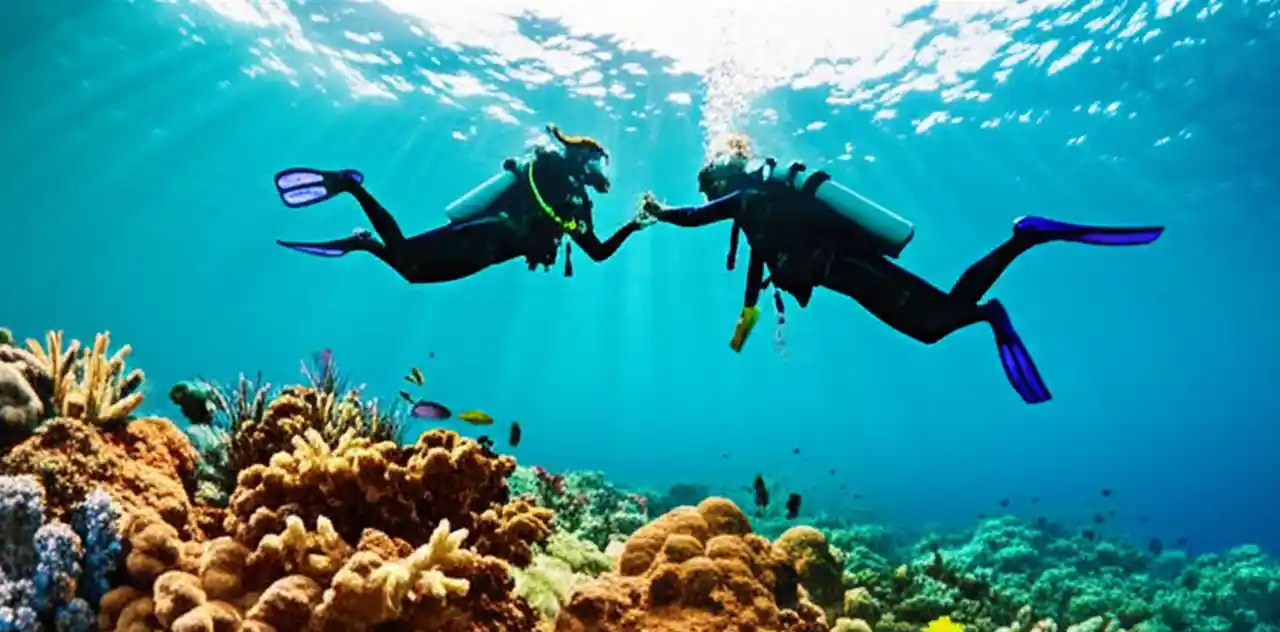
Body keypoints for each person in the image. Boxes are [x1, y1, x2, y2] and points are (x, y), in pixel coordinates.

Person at [639, 135, 1164, 404]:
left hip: (854, 271)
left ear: (725, 176)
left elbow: (692, 219)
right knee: (935, 323)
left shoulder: (748, 199)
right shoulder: (760, 218)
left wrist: (659, 211)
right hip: (851, 274)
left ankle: (1021, 244)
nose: (711, 194)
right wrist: (742, 332)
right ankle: (999, 289)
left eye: (711, 183)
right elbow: (754, 285)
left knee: (935, 322)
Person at [273, 124, 654, 282]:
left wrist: (633, 225)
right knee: (406, 254)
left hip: (490, 253)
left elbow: (598, 252)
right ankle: (350, 187)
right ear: (582, 159)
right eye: (598, 162)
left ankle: (364, 242)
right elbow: (542, 200)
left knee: (412, 273)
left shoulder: (578, 202)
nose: (601, 172)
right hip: (484, 233)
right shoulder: (553, 169)